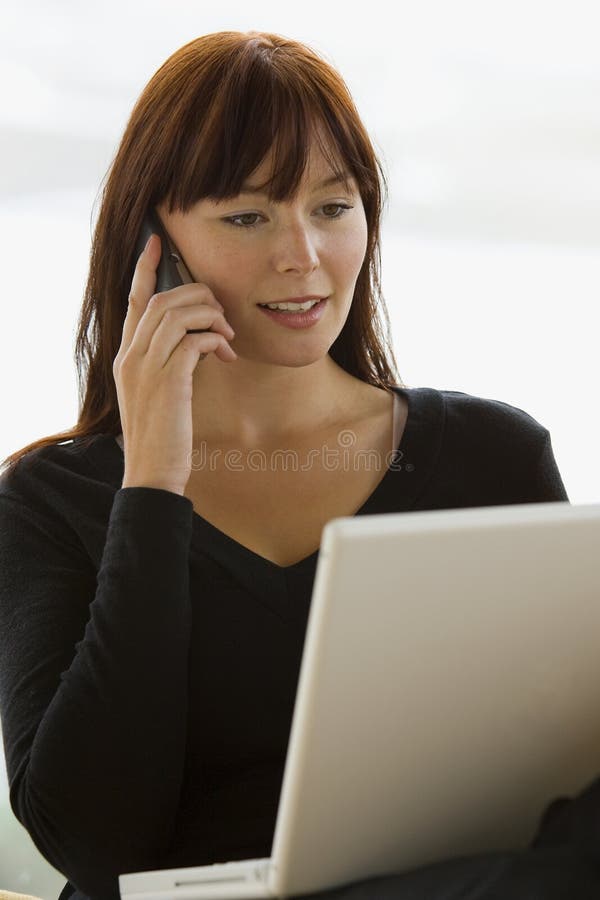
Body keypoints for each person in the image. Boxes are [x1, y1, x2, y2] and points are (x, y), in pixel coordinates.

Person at [0, 29, 598, 900]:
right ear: (152, 247)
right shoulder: (51, 503)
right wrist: (155, 480)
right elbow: (93, 841)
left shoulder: (494, 459)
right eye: (247, 216)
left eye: (332, 206)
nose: (304, 257)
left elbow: (565, 779)